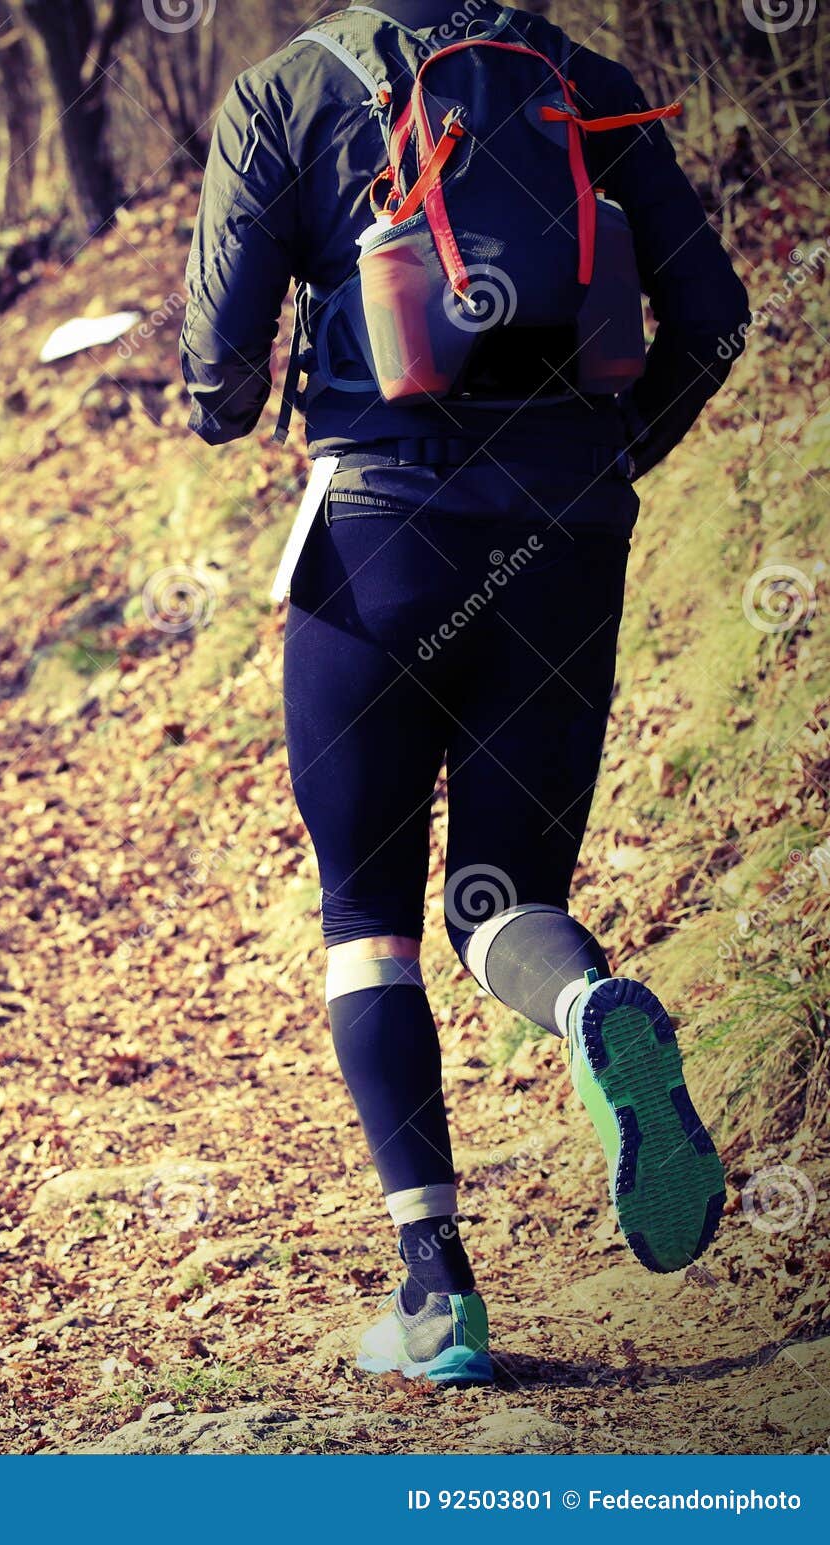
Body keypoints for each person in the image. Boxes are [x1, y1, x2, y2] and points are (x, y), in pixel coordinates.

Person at [181, 0, 749, 1386]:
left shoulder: (284, 94)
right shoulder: (585, 81)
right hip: (566, 544)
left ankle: (438, 1294)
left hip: (377, 546)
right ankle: (588, 1007)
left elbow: (216, 387)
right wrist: (603, 466)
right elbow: (716, 321)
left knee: (366, 921)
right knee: (505, 897)